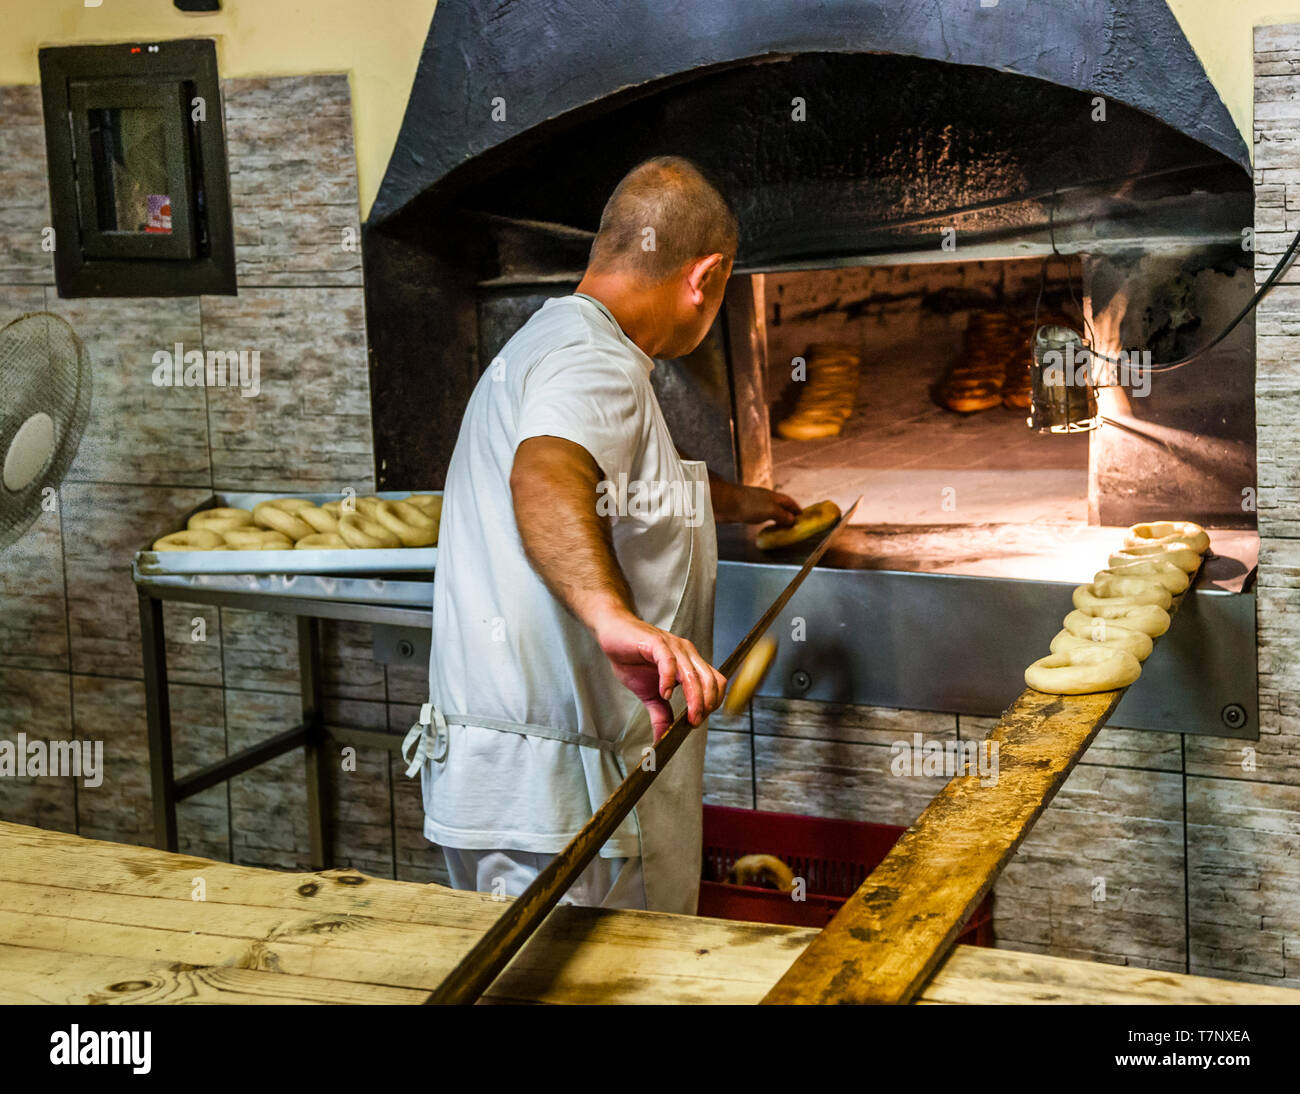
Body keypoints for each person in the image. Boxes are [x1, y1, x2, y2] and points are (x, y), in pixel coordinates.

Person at [405, 156, 800, 913]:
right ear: (706, 276)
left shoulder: (552, 342)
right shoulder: (596, 363)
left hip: (511, 791)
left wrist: (741, 501)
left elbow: (616, 485)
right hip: (567, 809)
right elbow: (547, 476)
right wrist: (613, 619)